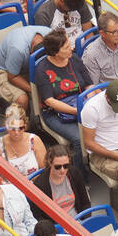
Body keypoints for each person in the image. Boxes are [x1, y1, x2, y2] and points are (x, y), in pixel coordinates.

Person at [80, 79, 118, 229]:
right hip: (104, 154)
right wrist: (117, 156)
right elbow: (89, 143)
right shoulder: (91, 109)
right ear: (107, 98)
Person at [35, 29, 88, 166]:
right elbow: (49, 101)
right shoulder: (42, 69)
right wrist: (76, 111)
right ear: (55, 52)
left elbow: (89, 85)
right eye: (66, 47)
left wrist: (90, 104)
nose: (71, 48)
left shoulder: (74, 58)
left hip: (82, 104)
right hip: (55, 113)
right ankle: (80, 176)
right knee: (78, 138)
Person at [0, 21, 43, 108]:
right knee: (22, 99)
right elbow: (12, 77)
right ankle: (20, 119)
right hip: (4, 71)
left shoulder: (49, 35)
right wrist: (35, 91)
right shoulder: (18, 49)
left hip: (26, 67)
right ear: (31, 52)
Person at [33, 142, 89, 221]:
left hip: (78, 220)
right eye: (58, 167)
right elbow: (39, 216)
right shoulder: (40, 185)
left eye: (66, 166)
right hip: (57, 227)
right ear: (50, 163)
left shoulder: (74, 173)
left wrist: (86, 221)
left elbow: (85, 202)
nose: (62, 170)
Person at [78, 12, 118, 84]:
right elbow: (93, 87)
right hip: (108, 93)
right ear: (102, 33)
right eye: (114, 32)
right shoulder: (91, 55)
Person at [0, 103, 46, 178]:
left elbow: (44, 171)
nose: (17, 133)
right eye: (13, 128)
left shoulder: (35, 140)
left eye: (20, 128)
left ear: (25, 126)